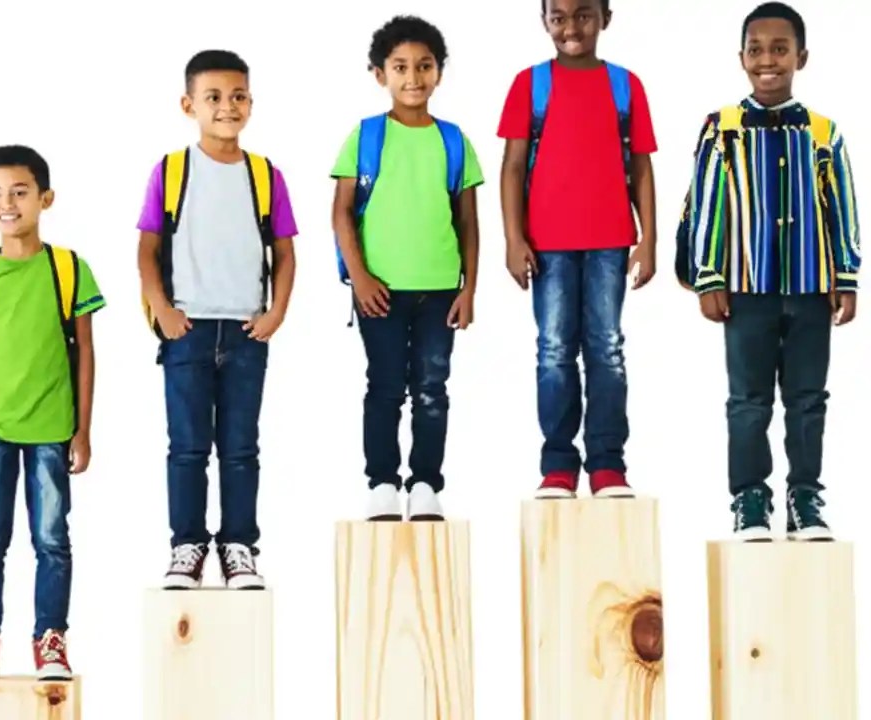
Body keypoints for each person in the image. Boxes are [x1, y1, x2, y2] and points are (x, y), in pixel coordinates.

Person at [675, 2, 860, 541]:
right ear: (741, 59)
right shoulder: (723, 130)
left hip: (809, 290)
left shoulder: (824, 133)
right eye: (756, 50)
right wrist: (709, 277)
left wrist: (845, 275)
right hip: (746, 290)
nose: (768, 60)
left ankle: (805, 497)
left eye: (780, 49)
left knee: (807, 398)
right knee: (748, 401)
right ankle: (749, 499)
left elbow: (842, 206)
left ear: (801, 56)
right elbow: (707, 203)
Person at [136, 49, 299, 591]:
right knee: (185, 446)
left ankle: (238, 547)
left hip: (248, 331)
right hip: (189, 331)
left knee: (240, 446)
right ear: (189, 105)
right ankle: (186, 546)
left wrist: (276, 312)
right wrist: (162, 309)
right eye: (214, 97)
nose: (227, 106)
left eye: (238, 96)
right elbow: (147, 248)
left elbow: (284, 250)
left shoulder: (264, 174)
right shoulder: (172, 170)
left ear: (251, 102)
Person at [0, 145, 105, 680]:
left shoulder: (67, 268)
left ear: (45, 198)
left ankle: (50, 639)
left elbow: (84, 352)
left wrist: (82, 429)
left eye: (19, 192)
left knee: (52, 539)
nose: (6, 203)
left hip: (51, 429)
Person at [497, 0, 658, 499]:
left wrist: (647, 237)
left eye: (584, 14)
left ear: (606, 17)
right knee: (554, 352)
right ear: (544, 20)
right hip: (548, 245)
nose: (572, 27)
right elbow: (512, 166)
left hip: (611, 239)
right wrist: (513, 237)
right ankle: (559, 464)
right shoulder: (530, 84)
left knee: (607, 351)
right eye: (559, 16)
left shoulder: (625, 85)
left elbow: (642, 166)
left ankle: (608, 464)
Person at [330, 15, 483, 521]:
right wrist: (361, 276)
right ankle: (381, 482)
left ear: (440, 71)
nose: (413, 77)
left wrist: (469, 289)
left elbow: (468, 221)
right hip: (380, 291)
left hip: (441, 288)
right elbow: (341, 212)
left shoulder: (455, 140)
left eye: (424, 66)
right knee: (386, 387)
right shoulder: (366, 136)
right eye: (400, 67)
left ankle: (425, 484)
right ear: (380, 74)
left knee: (432, 390)